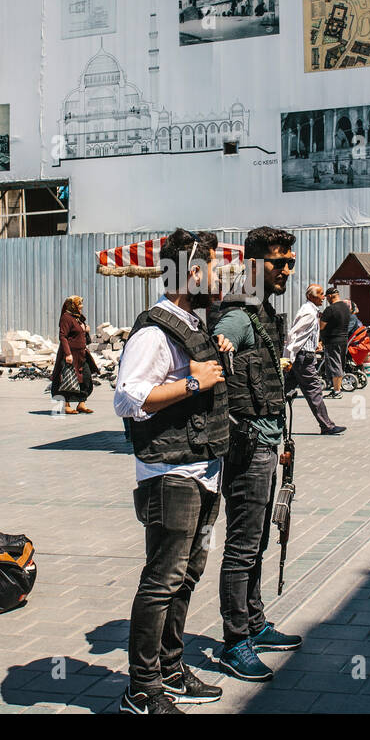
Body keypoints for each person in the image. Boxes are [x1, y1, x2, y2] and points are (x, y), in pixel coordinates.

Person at [113, 229, 233, 713]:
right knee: (162, 579)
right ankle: (141, 689)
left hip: (202, 468)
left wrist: (210, 358)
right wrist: (191, 381)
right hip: (169, 474)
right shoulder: (153, 331)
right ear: (192, 272)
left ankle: (169, 668)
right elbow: (128, 398)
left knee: (185, 576)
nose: (221, 278)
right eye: (213, 268)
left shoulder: (193, 325)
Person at [213, 226, 305, 683]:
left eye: (290, 261)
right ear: (254, 265)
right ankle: (234, 641)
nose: (287, 268)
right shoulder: (241, 313)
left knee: (259, 542)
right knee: (242, 545)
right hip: (247, 446)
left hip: (267, 440)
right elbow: (218, 341)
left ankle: (254, 621)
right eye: (278, 262)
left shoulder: (263, 310)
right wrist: (222, 346)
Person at [284, 284, 344, 435]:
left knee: (284, 390)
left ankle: (269, 419)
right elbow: (294, 333)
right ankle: (327, 425)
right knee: (314, 391)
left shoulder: (311, 311)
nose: (324, 297)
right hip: (303, 358)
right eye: (321, 294)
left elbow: (305, 334)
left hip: (302, 356)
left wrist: (315, 343)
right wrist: (289, 356)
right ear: (311, 296)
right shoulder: (309, 312)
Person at [52, 295, 98, 415]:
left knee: (85, 378)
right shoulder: (66, 318)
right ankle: (66, 405)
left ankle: (81, 403)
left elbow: (83, 338)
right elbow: (63, 336)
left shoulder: (78, 318)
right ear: (72, 306)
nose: (81, 307)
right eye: (79, 304)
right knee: (67, 379)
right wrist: (67, 354)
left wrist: (86, 331)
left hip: (82, 354)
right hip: (71, 355)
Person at [319, 285, 350, 398]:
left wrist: (319, 341)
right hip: (344, 340)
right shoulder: (346, 307)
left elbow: (321, 327)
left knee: (334, 365)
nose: (326, 299)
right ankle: (337, 388)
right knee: (340, 364)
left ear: (331, 296)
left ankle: (337, 391)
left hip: (332, 340)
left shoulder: (330, 309)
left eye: (327, 297)